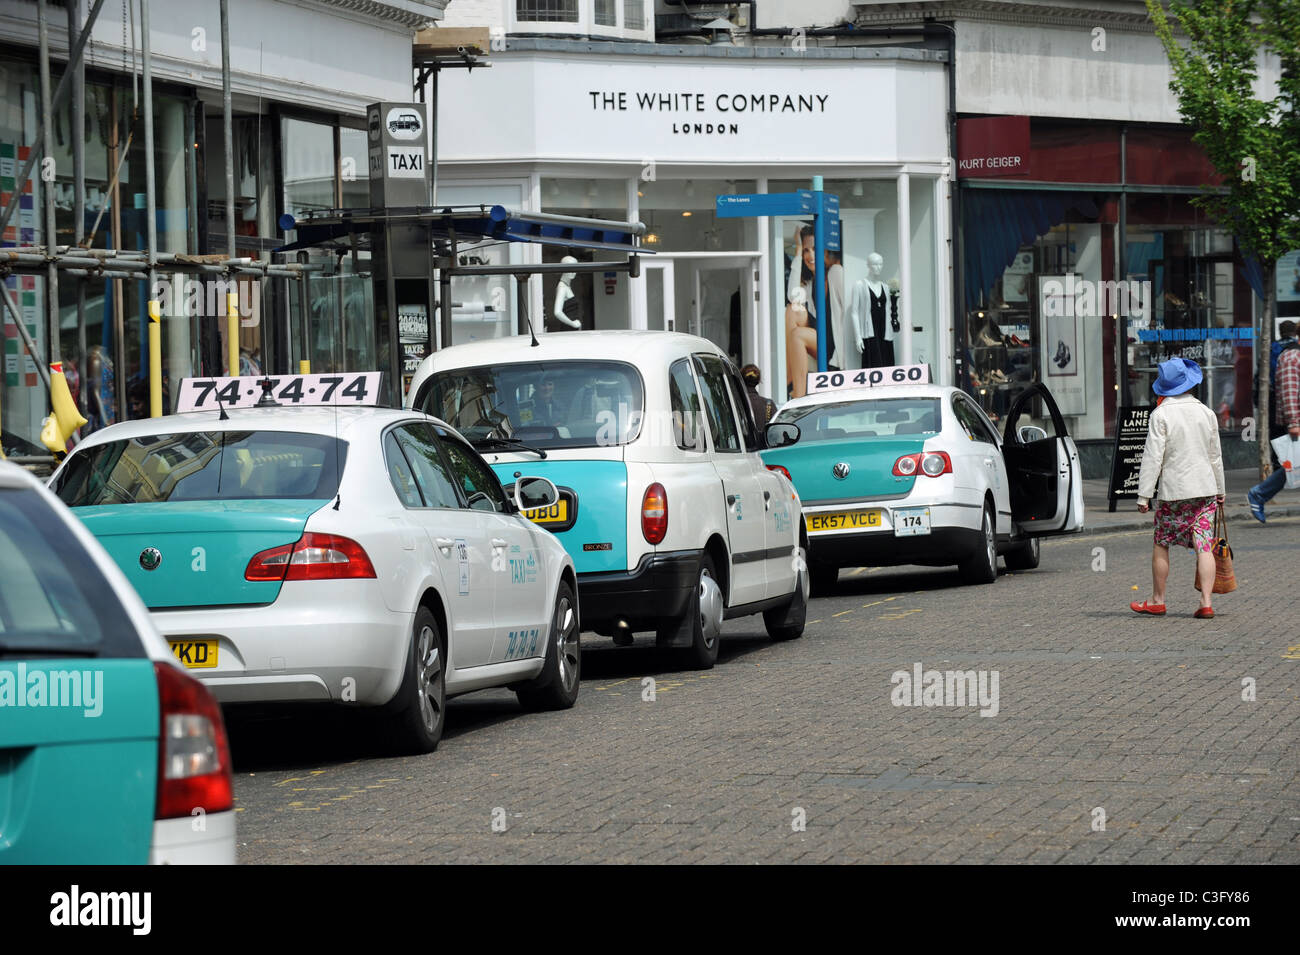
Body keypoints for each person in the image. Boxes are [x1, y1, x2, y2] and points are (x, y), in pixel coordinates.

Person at [1131, 358, 1226, 619]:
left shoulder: (1160, 415)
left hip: (1174, 492)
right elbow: (1215, 455)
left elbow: (1153, 457)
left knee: (1162, 542)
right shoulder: (1207, 412)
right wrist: (1220, 489)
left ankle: (1157, 600)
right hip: (1205, 489)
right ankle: (1206, 602)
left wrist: (1144, 495)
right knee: (1204, 545)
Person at [1247, 320, 1299, 522]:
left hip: (1287, 417)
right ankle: (1259, 493)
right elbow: (1288, 391)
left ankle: (1259, 494)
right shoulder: (1292, 356)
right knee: (1292, 465)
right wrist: (1293, 422)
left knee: (1293, 465)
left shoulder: (1283, 352)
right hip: (1295, 421)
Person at [741, 363, 777, 428]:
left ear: (741, 380)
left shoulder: (736, 402)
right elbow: (776, 430)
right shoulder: (769, 404)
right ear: (758, 381)